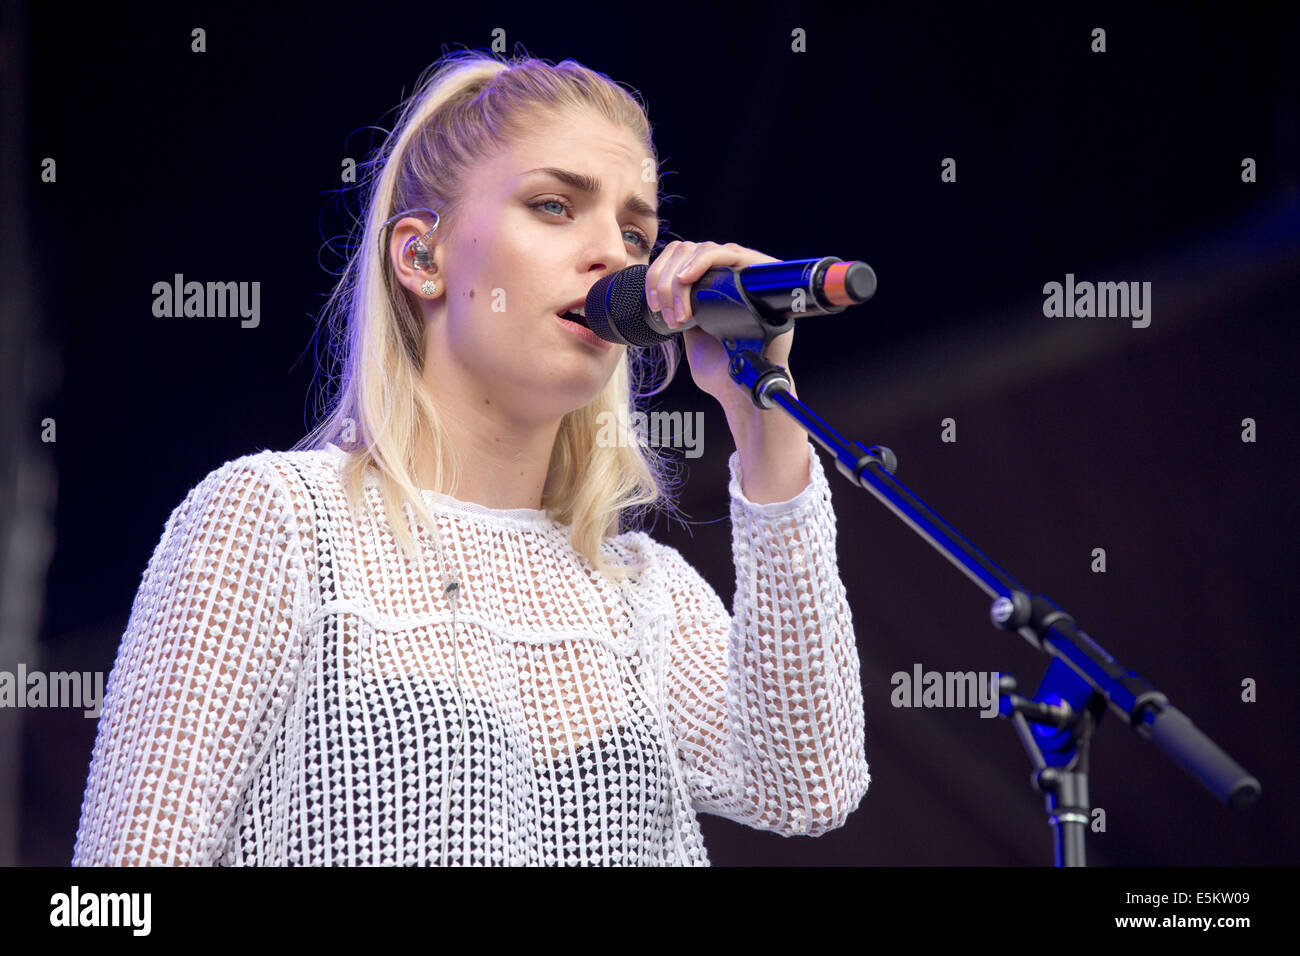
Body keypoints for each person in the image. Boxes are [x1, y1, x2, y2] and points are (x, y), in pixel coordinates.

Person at [71, 50, 869, 866]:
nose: (613, 255)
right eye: (555, 205)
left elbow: (810, 784)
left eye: (636, 232)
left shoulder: (642, 593)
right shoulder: (275, 524)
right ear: (421, 257)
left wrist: (759, 400)